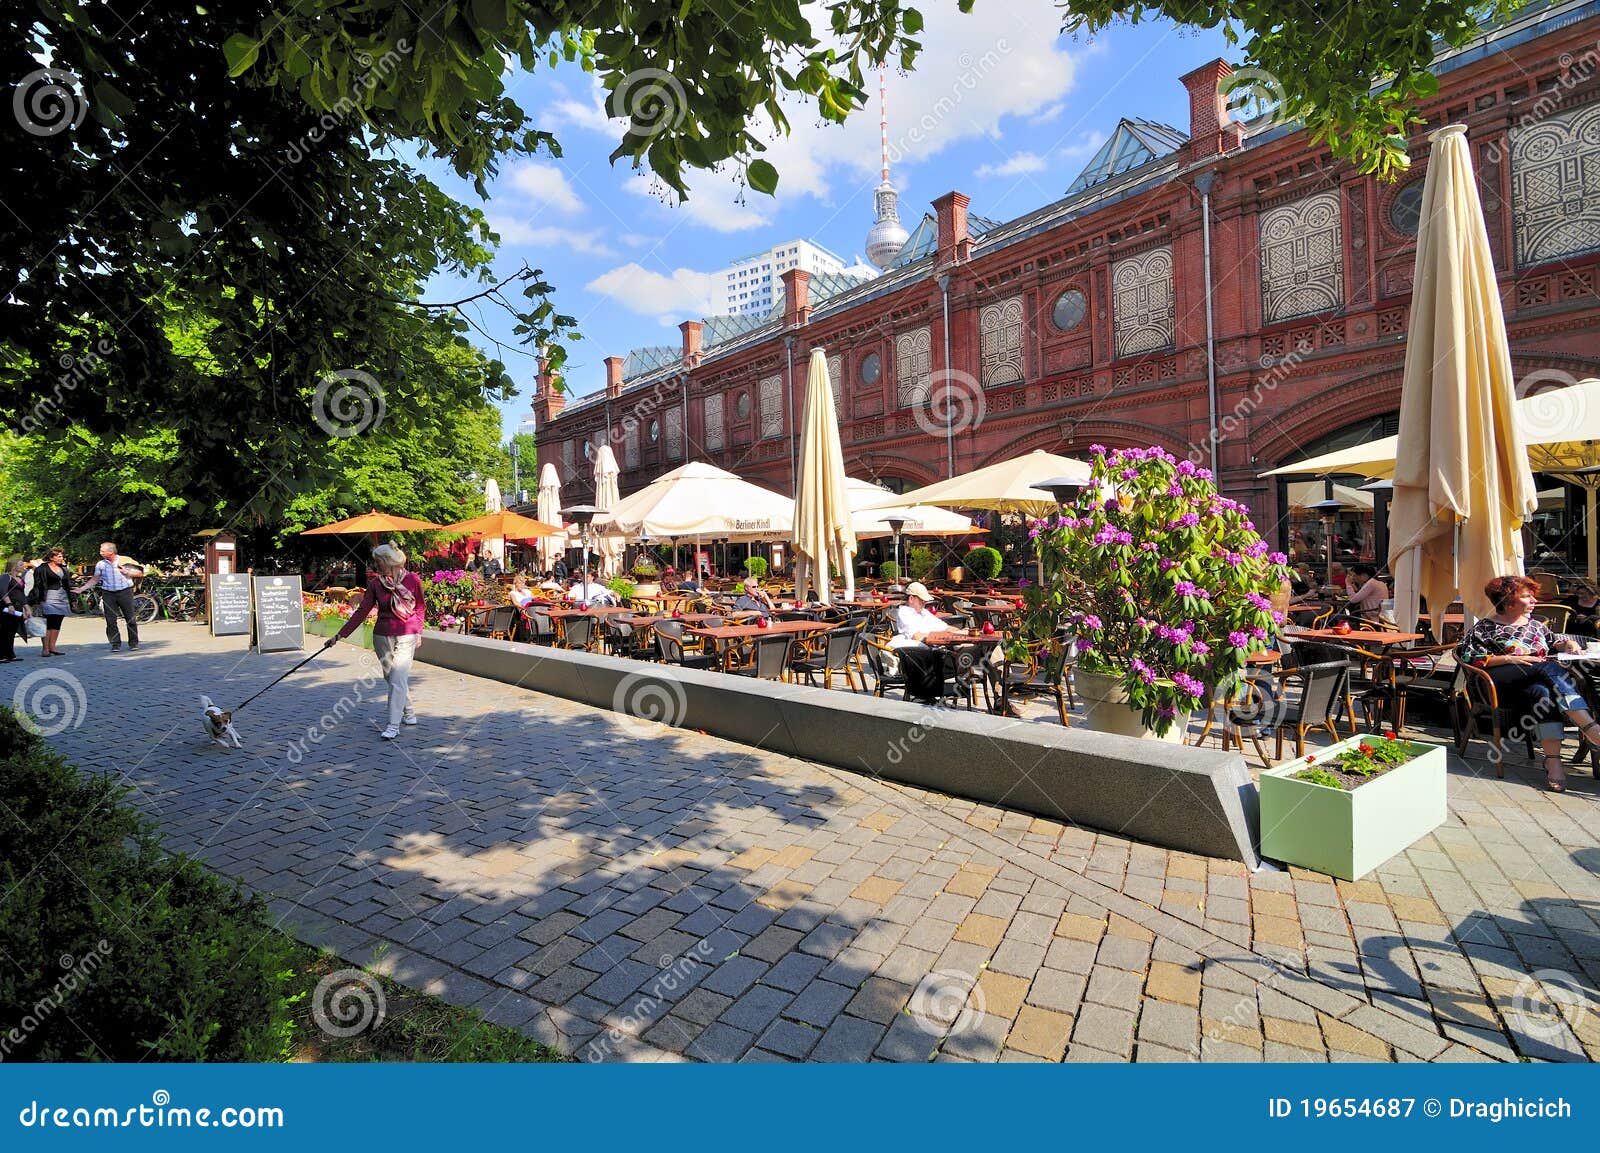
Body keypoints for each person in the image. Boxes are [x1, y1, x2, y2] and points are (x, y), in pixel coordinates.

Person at [1456, 574, 1600, 792]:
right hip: (1497, 686)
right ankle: (1590, 727)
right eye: (1527, 596)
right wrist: (1509, 658)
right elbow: (1465, 655)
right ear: (1507, 601)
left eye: (1533, 596)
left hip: (1530, 687)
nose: (1534, 600)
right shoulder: (1485, 627)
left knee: (1544, 694)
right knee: (1546, 667)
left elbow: (1554, 642)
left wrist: (1568, 643)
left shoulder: (1536, 625)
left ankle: (1553, 761)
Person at [338, 541, 426, 740]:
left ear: (389, 561)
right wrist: (341, 634)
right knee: (393, 678)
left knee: (397, 676)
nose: (376, 565)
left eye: (379, 561)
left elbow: (420, 607)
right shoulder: (376, 583)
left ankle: (393, 725)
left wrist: (419, 631)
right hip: (382, 634)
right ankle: (409, 711)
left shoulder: (413, 579)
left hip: (408, 632)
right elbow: (363, 611)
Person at [73, 541, 140, 652]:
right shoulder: (101, 564)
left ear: (111, 551)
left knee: (130, 619)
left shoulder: (125, 560)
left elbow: (140, 573)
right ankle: (115, 644)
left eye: (102, 551)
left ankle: (133, 643)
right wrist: (82, 588)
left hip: (125, 592)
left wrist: (127, 572)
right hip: (108, 593)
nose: (100, 553)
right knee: (110, 620)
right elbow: (95, 579)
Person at [28, 547, 73, 656]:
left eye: (62, 556)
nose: (61, 558)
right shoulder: (42, 568)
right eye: (59, 556)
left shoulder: (64, 568)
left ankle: (53, 646)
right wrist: (36, 600)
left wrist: (72, 598)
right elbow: (37, 585)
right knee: (47, 623)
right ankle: (45, 648)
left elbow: (68, 584)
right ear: (51, 557)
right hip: (48, 597)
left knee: (57, 622)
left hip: (62, 597)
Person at [890, 582, 946, 649]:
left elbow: (944, 627)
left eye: (925, 601)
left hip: (932, 646)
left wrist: (959, 632)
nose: (924, 604)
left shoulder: (923, 611)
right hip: (918, 652)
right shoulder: (905, 612)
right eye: (922, 600)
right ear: (911, 599)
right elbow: (917, 637)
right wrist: (944, 637)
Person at [0, 559, 28, 662]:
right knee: (4, 631)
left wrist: (26, 608)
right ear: (13, 566)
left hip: (17, 608)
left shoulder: (20, 578)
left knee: (12, 631)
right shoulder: (5, 577)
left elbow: (21, 595)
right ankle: (1, 655)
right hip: (6, 608)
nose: (23, 566)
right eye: (21, 564)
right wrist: (9, 604)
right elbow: (3, 591)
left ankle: (10, 654)